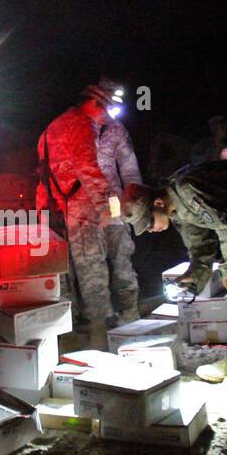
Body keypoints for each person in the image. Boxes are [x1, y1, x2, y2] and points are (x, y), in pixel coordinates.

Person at [122, 160, 227, 381]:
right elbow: (201, 245)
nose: (151, 230)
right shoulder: (176, 206)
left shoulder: (188, 192)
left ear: (158, 203)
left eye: (149, 222)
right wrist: (196, 274)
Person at [36, 79, 124, 349]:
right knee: (92, 270)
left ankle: (66, 335)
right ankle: (99, 336)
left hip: (52, 211)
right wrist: (112, 209)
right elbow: (89, 170)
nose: (105, 117)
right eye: (106, 110)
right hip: (79, 210)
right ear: (95, 102)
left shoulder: (50, 128)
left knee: (60, 275)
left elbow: (43, 174)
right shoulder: (80, 124)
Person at [95, 110, 143, 326]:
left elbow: (130, 170)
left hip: (113, 204)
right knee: (92, 268)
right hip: (84, 207)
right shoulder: (75, 128)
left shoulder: (115, 129)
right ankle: (99, 320)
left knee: (122, 260)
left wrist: (134, 205)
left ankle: (130, 312)